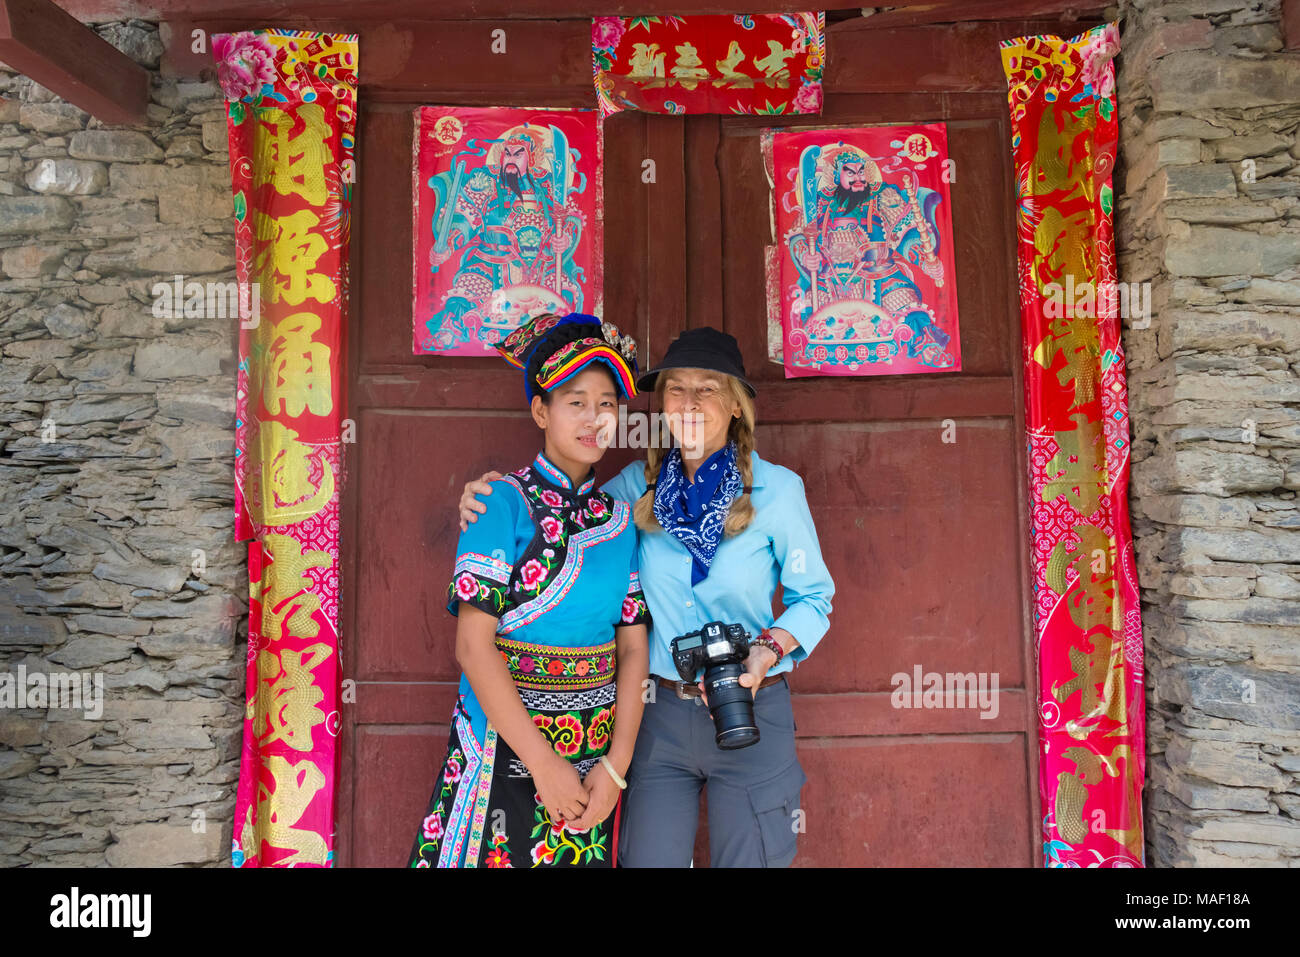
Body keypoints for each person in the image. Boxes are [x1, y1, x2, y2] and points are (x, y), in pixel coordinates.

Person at [458, 326, 834, 867]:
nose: (689, 402)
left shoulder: (778, 491)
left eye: (708, 389)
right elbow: (559, 515)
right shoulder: (634, 489)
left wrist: (765, 653)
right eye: (676, 389)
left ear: (734, 405)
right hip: (662, 718)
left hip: (750, 704)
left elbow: (815, 597)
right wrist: (483, 501)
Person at [409, 312, 650, 868]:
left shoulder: (620, 522)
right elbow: (473, 646)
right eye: (575, 401)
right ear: (541, 410)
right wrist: (543, 765)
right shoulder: (501, 504)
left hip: (591, 764)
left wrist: (615, 768)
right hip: (503, 750)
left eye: (607, 403)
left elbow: (633, 646)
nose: (595, 418)